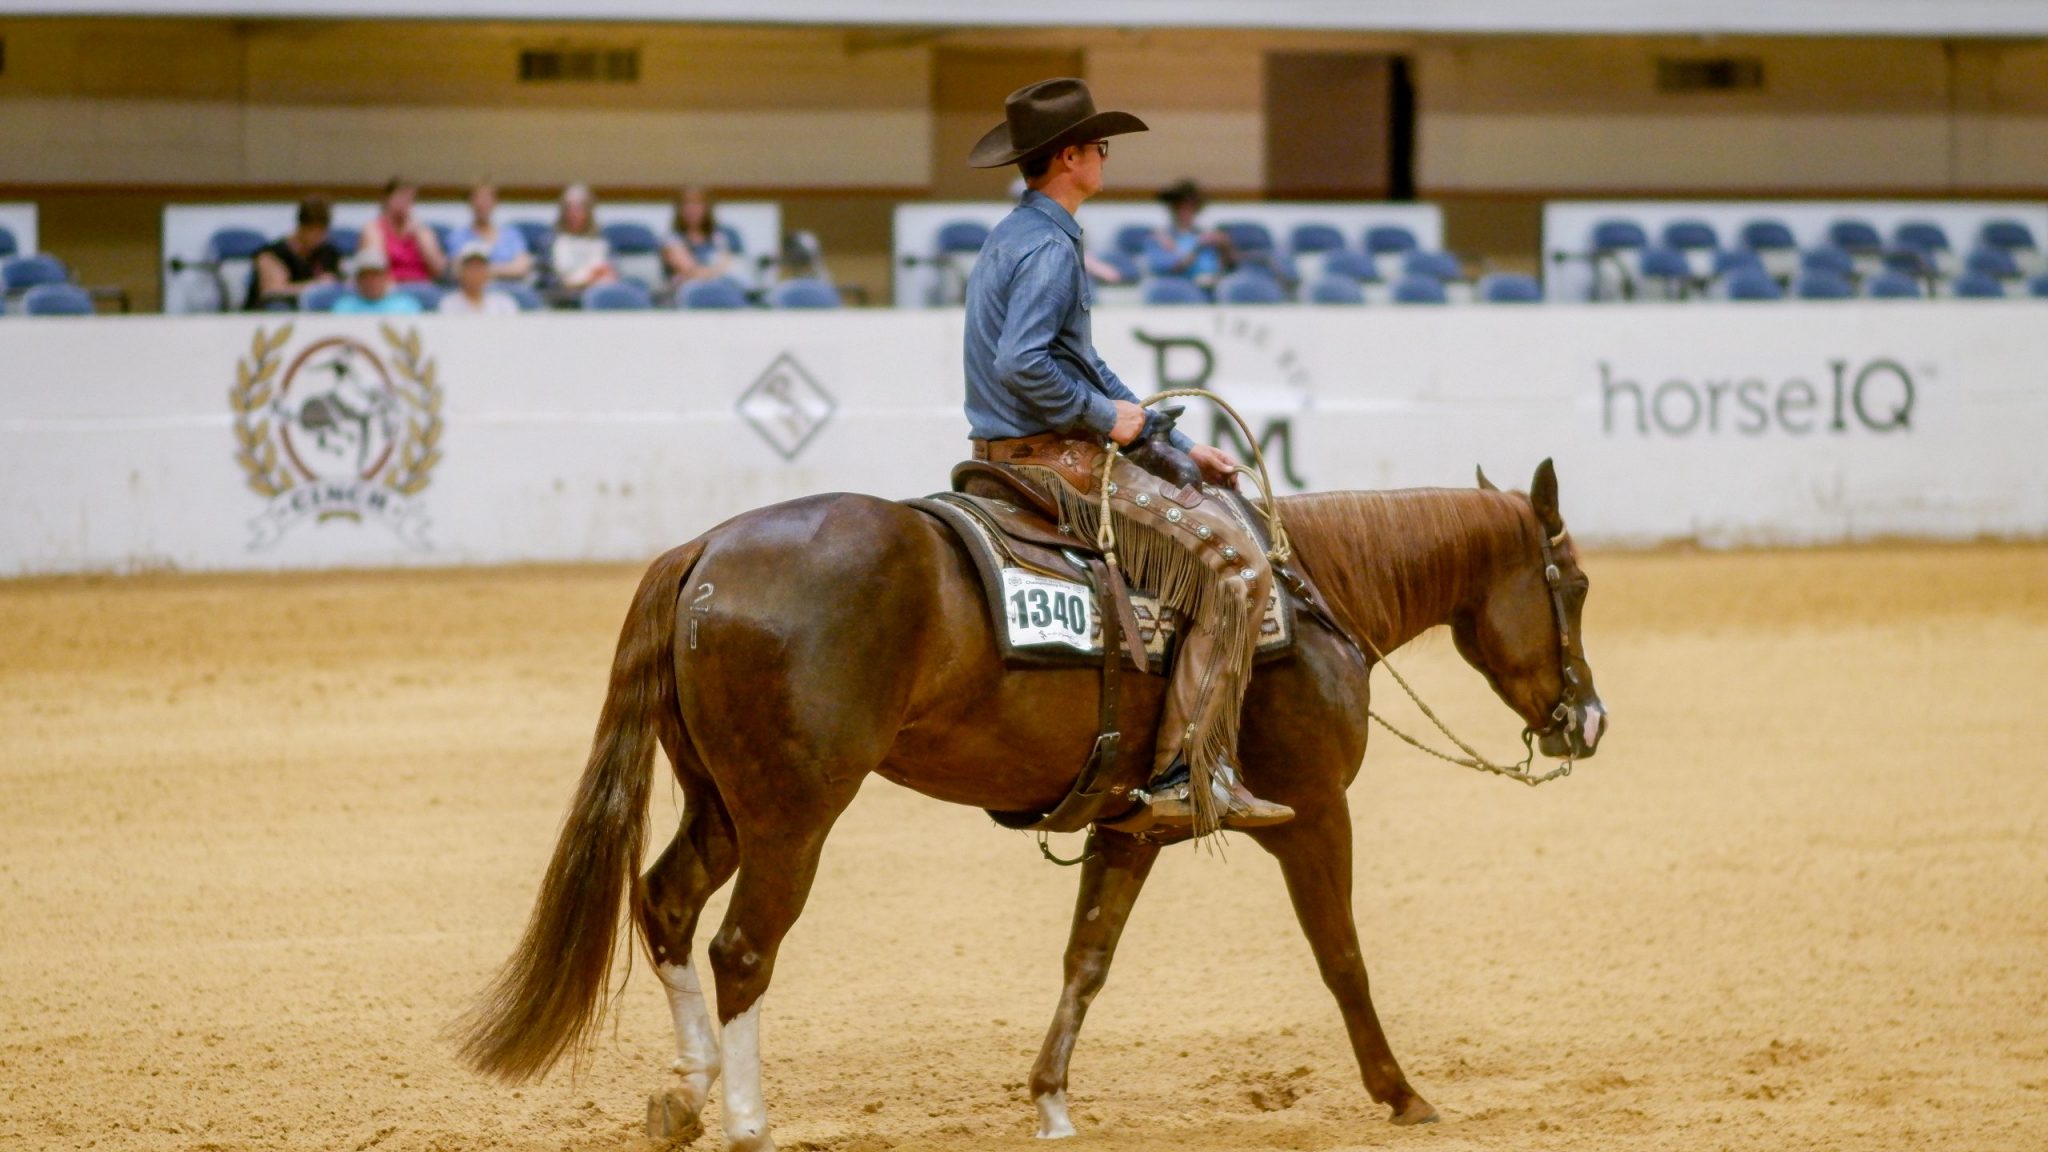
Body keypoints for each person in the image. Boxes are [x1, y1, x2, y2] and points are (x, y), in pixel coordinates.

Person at [961, 77, 1292, 834]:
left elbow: (1080, 361)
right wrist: (1107, 419)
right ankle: (1185, 769)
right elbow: (1023, 365)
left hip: (1010, 449)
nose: (1106, 158)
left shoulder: (1018, 234)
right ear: (1070, 157)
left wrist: (1169, 439)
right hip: (1052, 462)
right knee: (1242, 569)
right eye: (1100, 146)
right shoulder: (1049, 246)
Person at [245, 195, 342, 310]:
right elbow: (272, 292)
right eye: (314, 231)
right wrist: (315, 286)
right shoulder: (272, 254)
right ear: (301, 227)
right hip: (271, 311)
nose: (319, 238)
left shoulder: (328, 252)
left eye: (323, 232)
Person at [1144, 179, 1233, 286]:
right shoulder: (1159, 238)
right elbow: (1172, 269)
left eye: (1192, 206)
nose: (1186, 211)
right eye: (1181, 206)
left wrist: (1225, 248)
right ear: (1172, 208)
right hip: (1179, 287)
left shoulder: (1207, 235)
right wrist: (1198, 247)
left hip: (1214, 285)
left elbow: (1227, 267)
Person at [359, 177, 446, 285]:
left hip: (421, 286)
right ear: (386, 199)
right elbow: (375, 267)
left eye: (409, 199)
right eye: (400, 197)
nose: (404, 202)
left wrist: (419, 236)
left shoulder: (422, 230)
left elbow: (438, 270)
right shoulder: (373, 229)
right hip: (387, 286)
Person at [446, 181, 533, 282]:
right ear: (469, 202)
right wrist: (505, 269)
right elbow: (457, 271)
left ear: (495, 202)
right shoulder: (458, 236)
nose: (482, 203)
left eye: (487, 198)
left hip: (509, 288)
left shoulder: (512, 235)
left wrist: (479, 270)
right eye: (477, 198)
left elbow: (521, 268)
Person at [661, 185, 737, 285]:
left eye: (697, 205)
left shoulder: (717, 236)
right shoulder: (671, 240)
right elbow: (691, 271)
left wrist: (717, 272)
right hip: (686, 289)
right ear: (679, 210)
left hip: (719, 285)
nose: (692, 210)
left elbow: (727, 265)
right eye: (686, 205)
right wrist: (717, 272)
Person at [550, 183, 617, 293]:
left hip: (599, 291)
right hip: (564, 296)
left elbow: (612, 272)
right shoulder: (549, 241)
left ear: (589, 211)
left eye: (579, 207)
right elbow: (548, 281)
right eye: (568, 208)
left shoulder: (602, 239)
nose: (573, 213)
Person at [331, 248, 424, 315]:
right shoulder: (343, 307)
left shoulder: (407, 306)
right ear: (357, 280)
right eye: (365, 276)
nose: (371, 281)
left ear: (386, 277)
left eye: (376, 275)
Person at [437, 242, 518, 315]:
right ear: (461, 272)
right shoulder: (449, 304)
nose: (475, 272)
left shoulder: (503, 303)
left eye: (480, 267)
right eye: (471, 267)